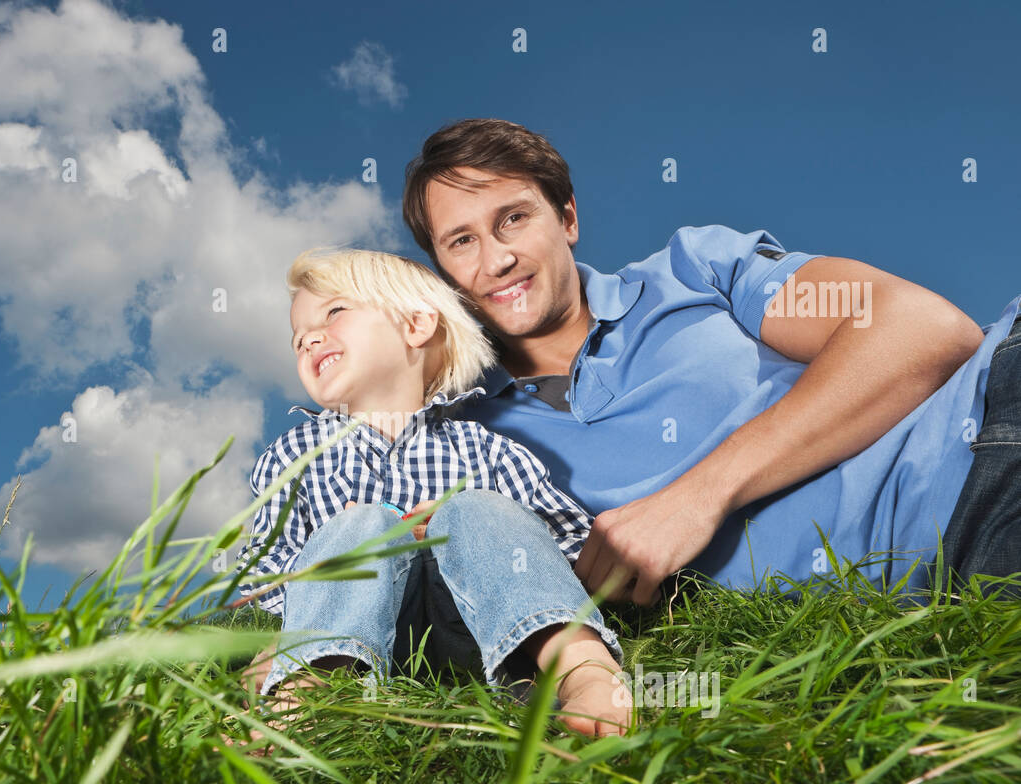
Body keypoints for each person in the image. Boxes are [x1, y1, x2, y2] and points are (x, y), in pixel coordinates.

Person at [399, 117, 1021, 605]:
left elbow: (926, 329)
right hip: (936, 572)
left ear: (567, 218)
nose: (496, 259)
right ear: (442, 272)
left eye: (513, 219)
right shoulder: (461, 434)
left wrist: (701, 495)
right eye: (462, 241)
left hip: (982, 442)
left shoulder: (694, 267)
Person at [232, 247, 631, 743]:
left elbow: (570, 542)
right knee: (358, 527)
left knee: (478, 509)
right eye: (297, 339)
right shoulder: (294, 455)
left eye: (334, 312)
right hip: (361, 643)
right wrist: (336, 557)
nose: (310, 338)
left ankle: (584, 670)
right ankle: (304, 690)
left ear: (416, 325)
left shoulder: (488, 450)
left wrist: (459, 527)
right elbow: (263, 570)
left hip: (483, 631)